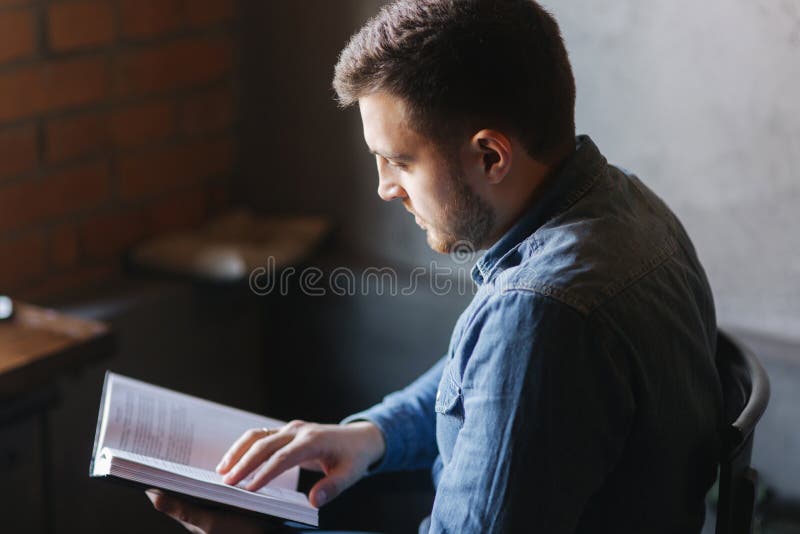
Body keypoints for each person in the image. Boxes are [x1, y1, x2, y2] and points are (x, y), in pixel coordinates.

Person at [148, 0, 723, 532]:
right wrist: (372, 436)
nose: (384, 188)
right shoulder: (627, 204)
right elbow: (485, 383)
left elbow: (517, 355)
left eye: (398, 161)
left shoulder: (543, 314)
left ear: (490, 155)